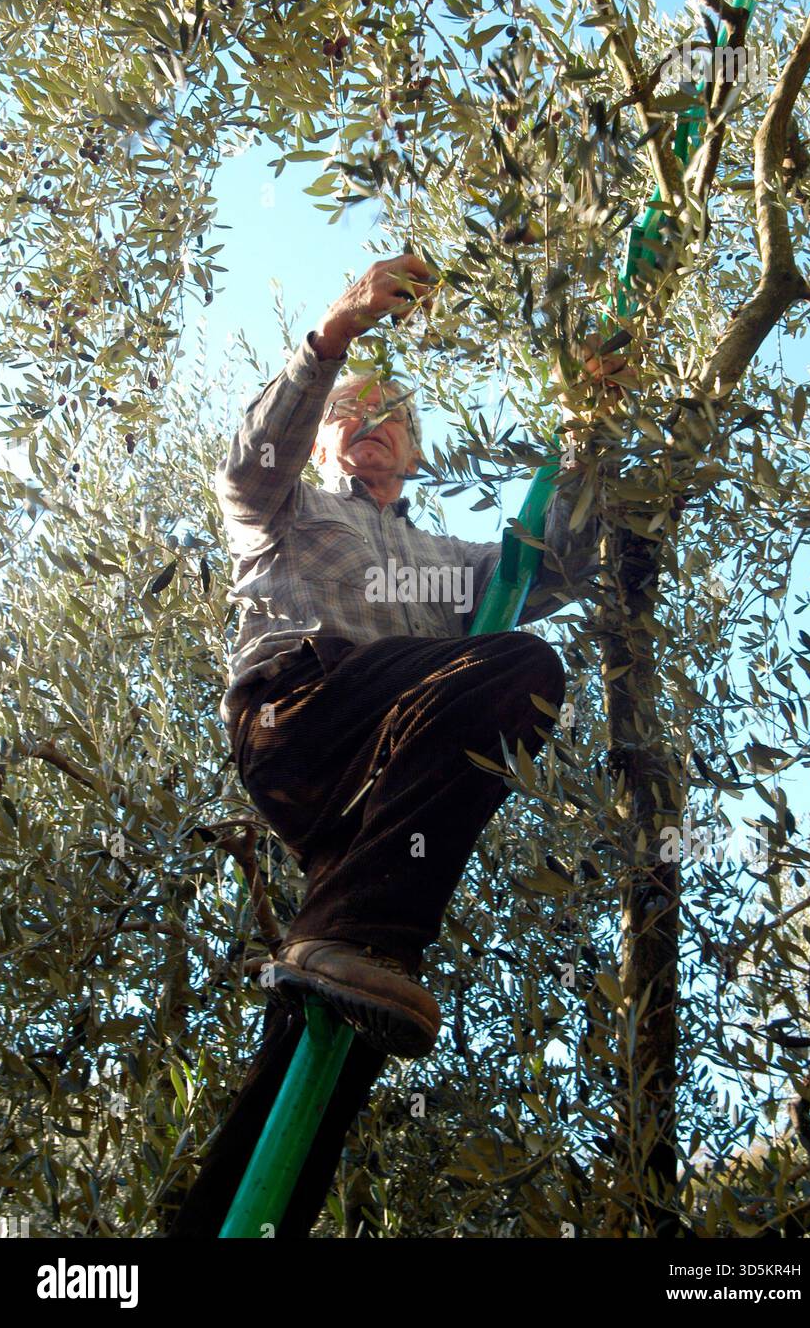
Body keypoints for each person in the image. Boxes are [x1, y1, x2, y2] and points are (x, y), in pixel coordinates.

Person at [168, 253, 630, 1239]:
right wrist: (335, 334)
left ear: (416, 454)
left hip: (369, 797)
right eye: (352, 416)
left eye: (389, 422)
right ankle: (357, 942)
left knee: (340, 1010)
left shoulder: (445, 565)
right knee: (516, 668)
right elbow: (247, 464)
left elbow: (561, 563)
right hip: (296, 713)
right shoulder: (288, 510)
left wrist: (592, 429)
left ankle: (226, 1220)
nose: (368, 430)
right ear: (330, 433)